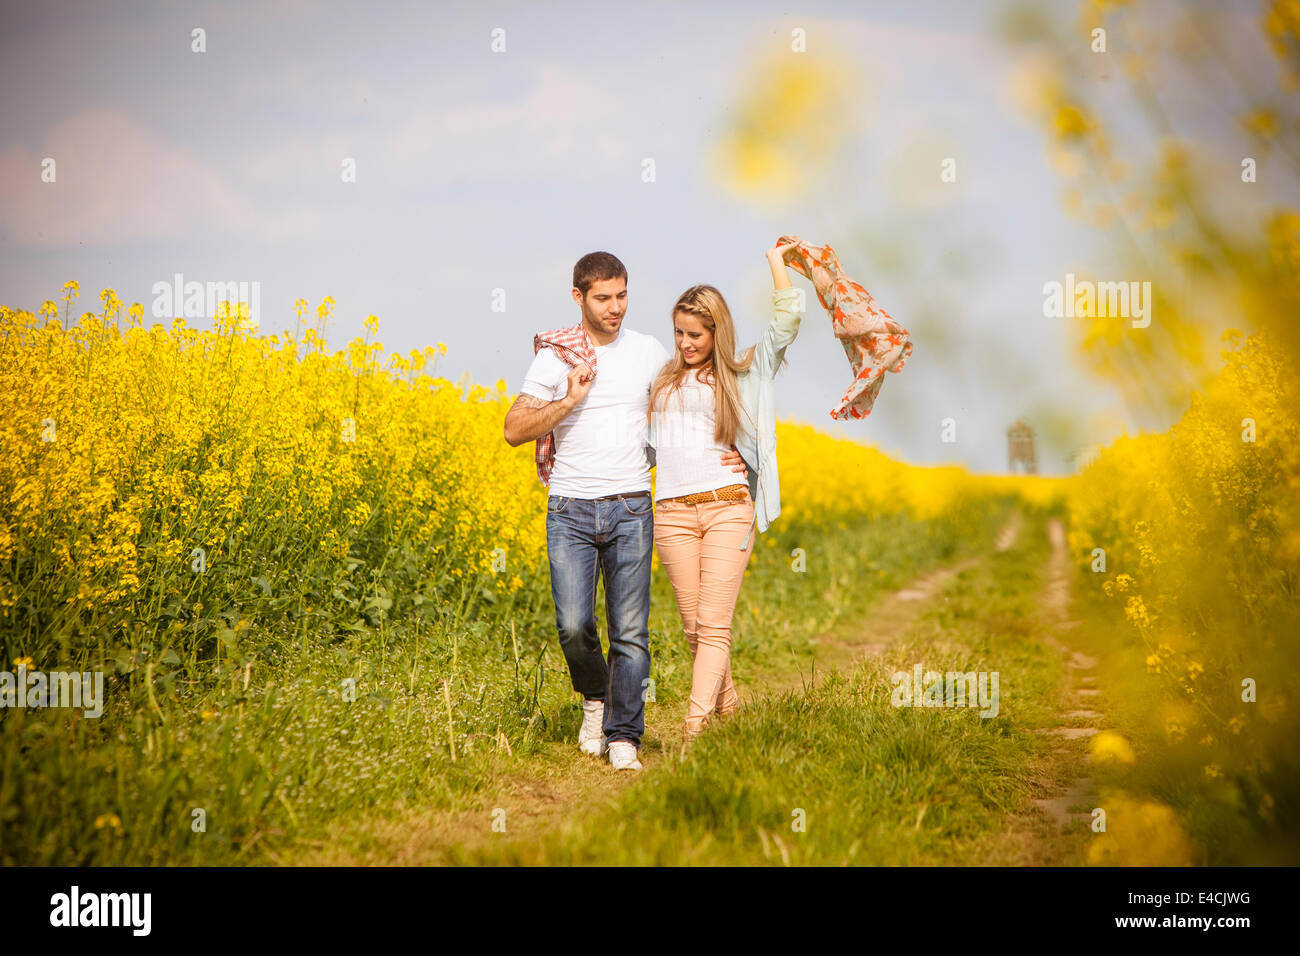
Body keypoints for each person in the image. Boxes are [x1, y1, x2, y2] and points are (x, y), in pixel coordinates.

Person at [503, 252, 749, 771]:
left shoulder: (649, 351)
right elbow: (514, 429)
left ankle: (624, 735)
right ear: (579, 298)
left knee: (631, 631)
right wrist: (568, 401)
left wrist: (738, 455)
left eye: (622, 295)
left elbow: (694, 401)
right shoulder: (556, 358)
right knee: (572, 624)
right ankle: (595, 697)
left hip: (633, 505)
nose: (615, 308)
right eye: (603, 298)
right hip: (570, 506)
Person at [646, 242, 801, 742]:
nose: (685, 343)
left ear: (717, 332)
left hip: (726, 509)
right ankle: (729, 705)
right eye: (679, 333)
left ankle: (695, 729)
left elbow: (786, 325)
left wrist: (777, 263)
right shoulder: (662, 379)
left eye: (695, 334)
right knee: (694, 631)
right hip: (670, 513)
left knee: (714, 627)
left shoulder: (741, 373)